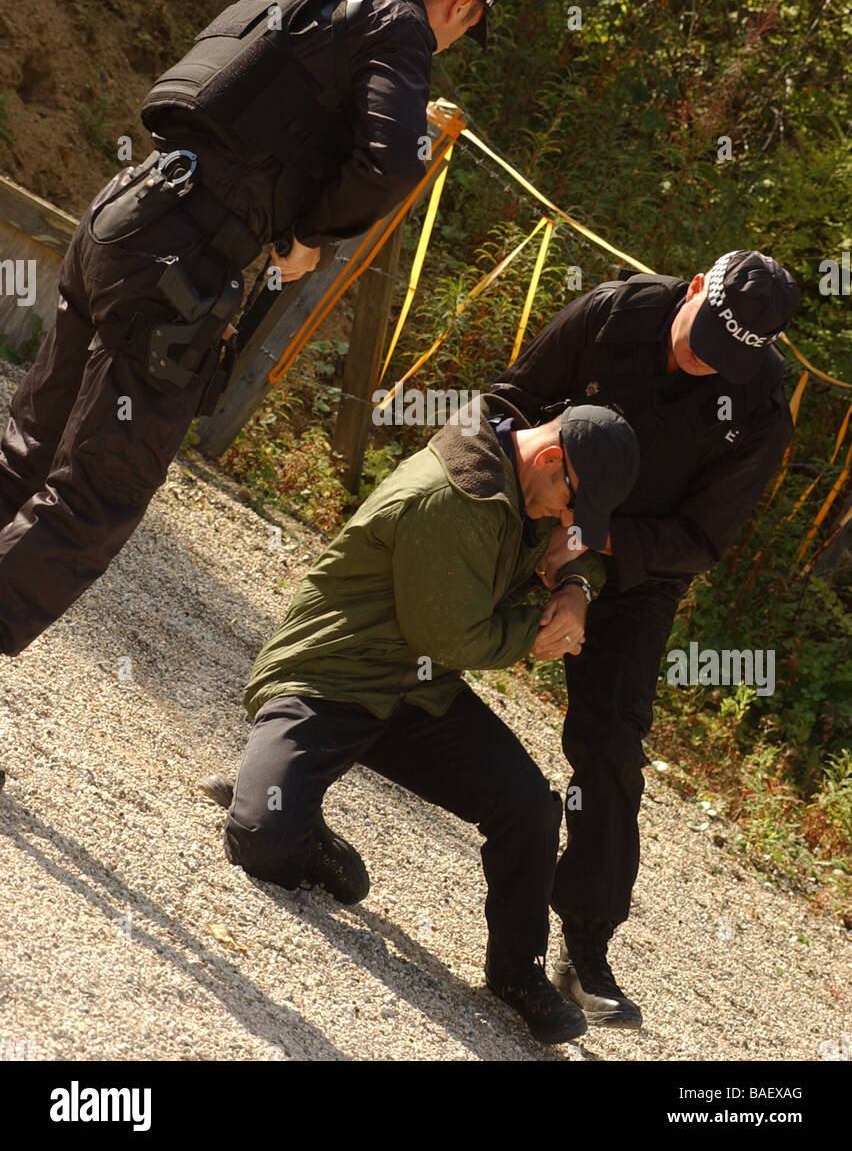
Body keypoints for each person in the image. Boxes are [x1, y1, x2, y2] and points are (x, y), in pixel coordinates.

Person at [0, 0, 512, 657]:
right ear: (462, 6)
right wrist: (307, 234)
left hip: (125, 215)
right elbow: (392, 163)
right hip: (183, 260)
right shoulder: (399, 25)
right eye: (469, 26)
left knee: (28, 450)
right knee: (95, 493)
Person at [203, 396, 640, 1045]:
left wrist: (574, 583)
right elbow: (455, 638)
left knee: (530, 808)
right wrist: (539, 635)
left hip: (417, 690)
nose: (570, 521)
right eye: (570, 505)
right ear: (549, 460)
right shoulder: (454, 498)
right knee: (264, 842)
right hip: (332, 677)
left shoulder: (526, 485)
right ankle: (288, 814)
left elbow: (587, 556)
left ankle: (516, 971)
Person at [490, 249, 801, 1029]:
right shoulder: (611, 310)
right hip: (530, 503)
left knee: (613, 746)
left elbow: (700, 538)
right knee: (412, 609)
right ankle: (291, 754)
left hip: (637, 572)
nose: (702, 363)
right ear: (695, 286)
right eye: (701, 336)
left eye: (726, 359)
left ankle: (585, 946)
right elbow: (511, 398)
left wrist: (596, 549)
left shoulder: (760, 412)